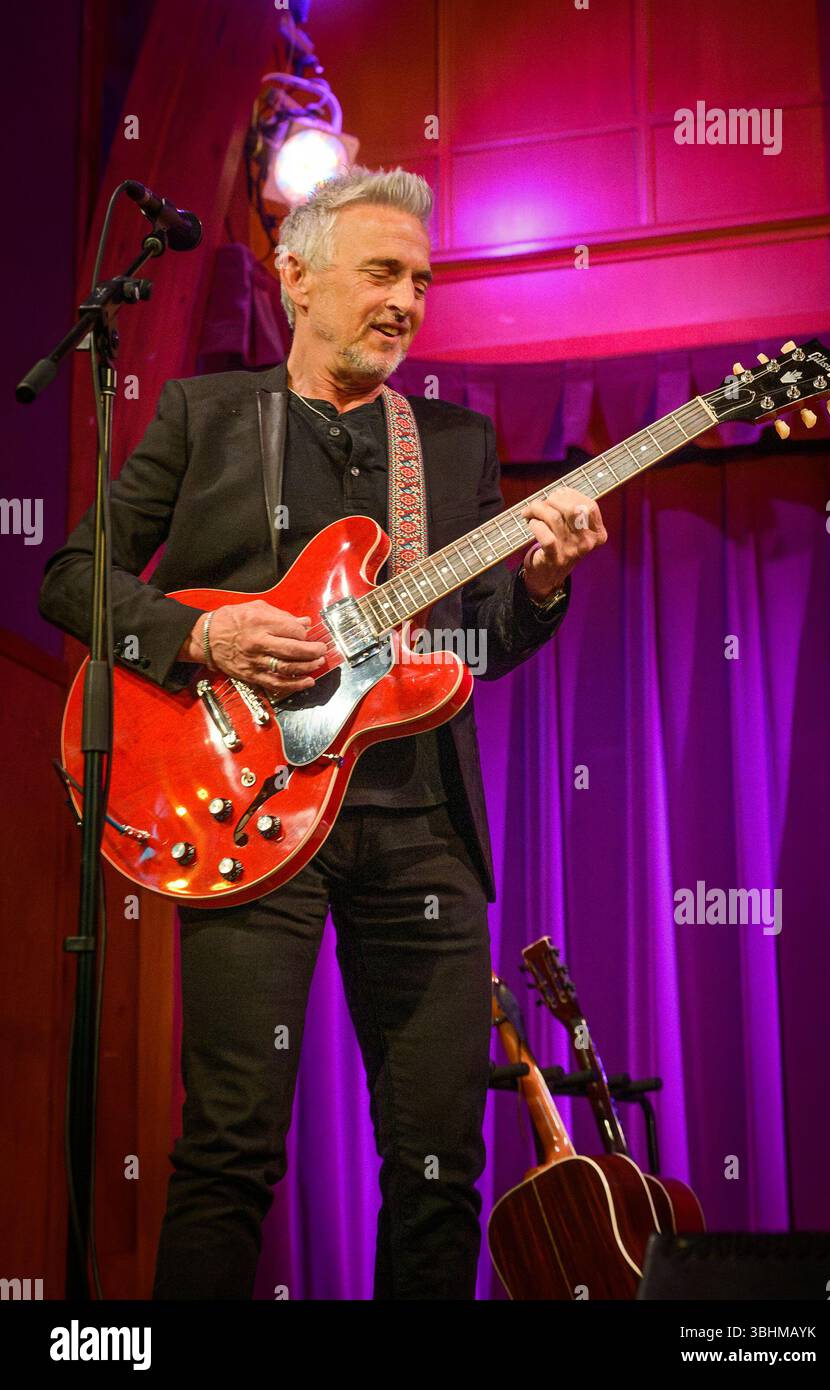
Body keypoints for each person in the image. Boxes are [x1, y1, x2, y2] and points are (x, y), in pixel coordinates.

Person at [39, 166, 608, 1299]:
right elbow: (71, 577)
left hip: (419, 828)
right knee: (231, 1149)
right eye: (382, 272)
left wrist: (538, 583)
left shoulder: (448, 444)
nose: (405, 300)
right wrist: (206, 641)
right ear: (295, 277)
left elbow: (474, 646)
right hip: (244, 811)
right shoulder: (204, 414)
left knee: (440, 1161)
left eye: (422, 282)